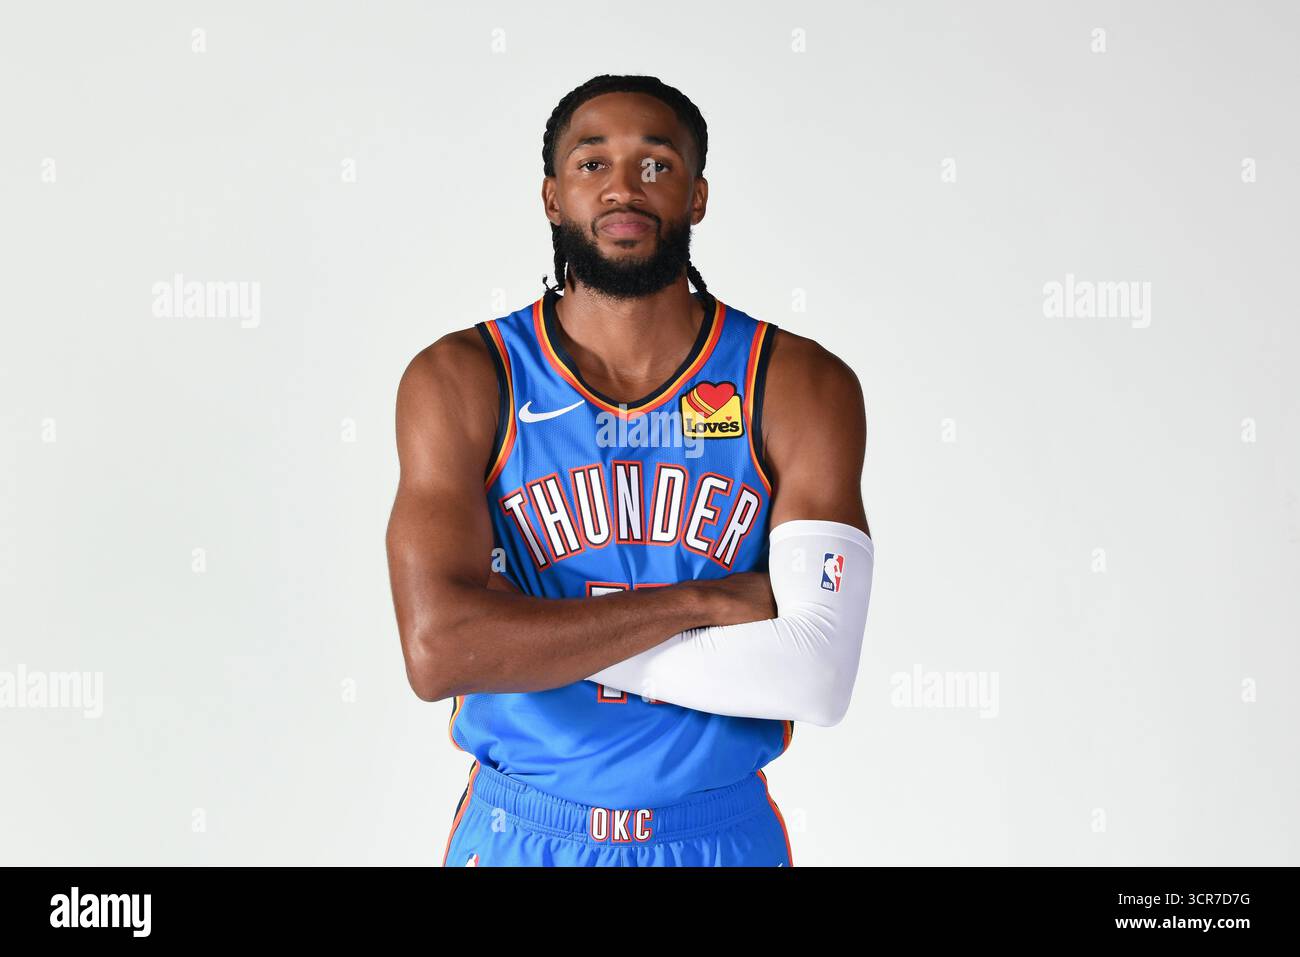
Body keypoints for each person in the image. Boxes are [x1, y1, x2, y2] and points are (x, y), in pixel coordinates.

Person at [385, 74, 875, 866]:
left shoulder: (795, 382)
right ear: (552, 197)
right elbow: (439, 652)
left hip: (716, 834)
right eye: (592, 164)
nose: (624, 186)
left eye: (657, 165)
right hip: (525, 830)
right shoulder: (465, 377)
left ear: (698, 196)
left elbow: (814, 675)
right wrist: (704, 600)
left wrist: (516, 633)